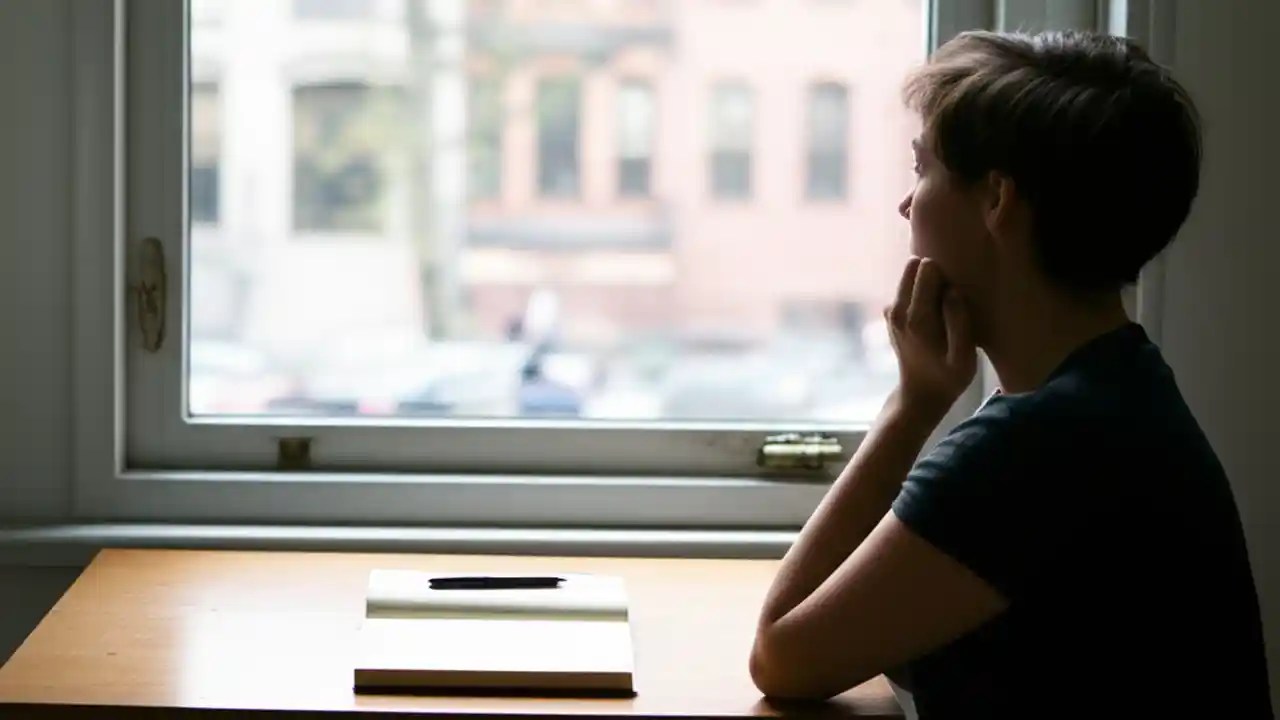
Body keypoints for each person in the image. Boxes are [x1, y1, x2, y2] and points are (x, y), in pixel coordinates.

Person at [749, 30, 1272, 718]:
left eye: (923, 170)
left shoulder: (1040, 448)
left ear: (997, 200)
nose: (908, 207)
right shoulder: (1119, 389)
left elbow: (783, 656)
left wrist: (909, 411)